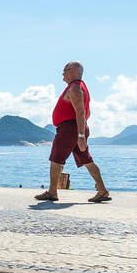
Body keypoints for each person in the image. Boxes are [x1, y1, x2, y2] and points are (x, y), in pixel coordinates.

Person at [35, 60, 111, 203]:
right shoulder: (80, 87)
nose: (63, 74)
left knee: (56, 158)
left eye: (65, 70)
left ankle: (52, 192)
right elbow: (88, 113)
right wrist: (81, 131)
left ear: (74, 71)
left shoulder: (75, 88)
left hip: (69, 129)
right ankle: (102, 191)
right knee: (87, 160)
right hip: (75, 128)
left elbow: (81, 113)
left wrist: (80, 135)